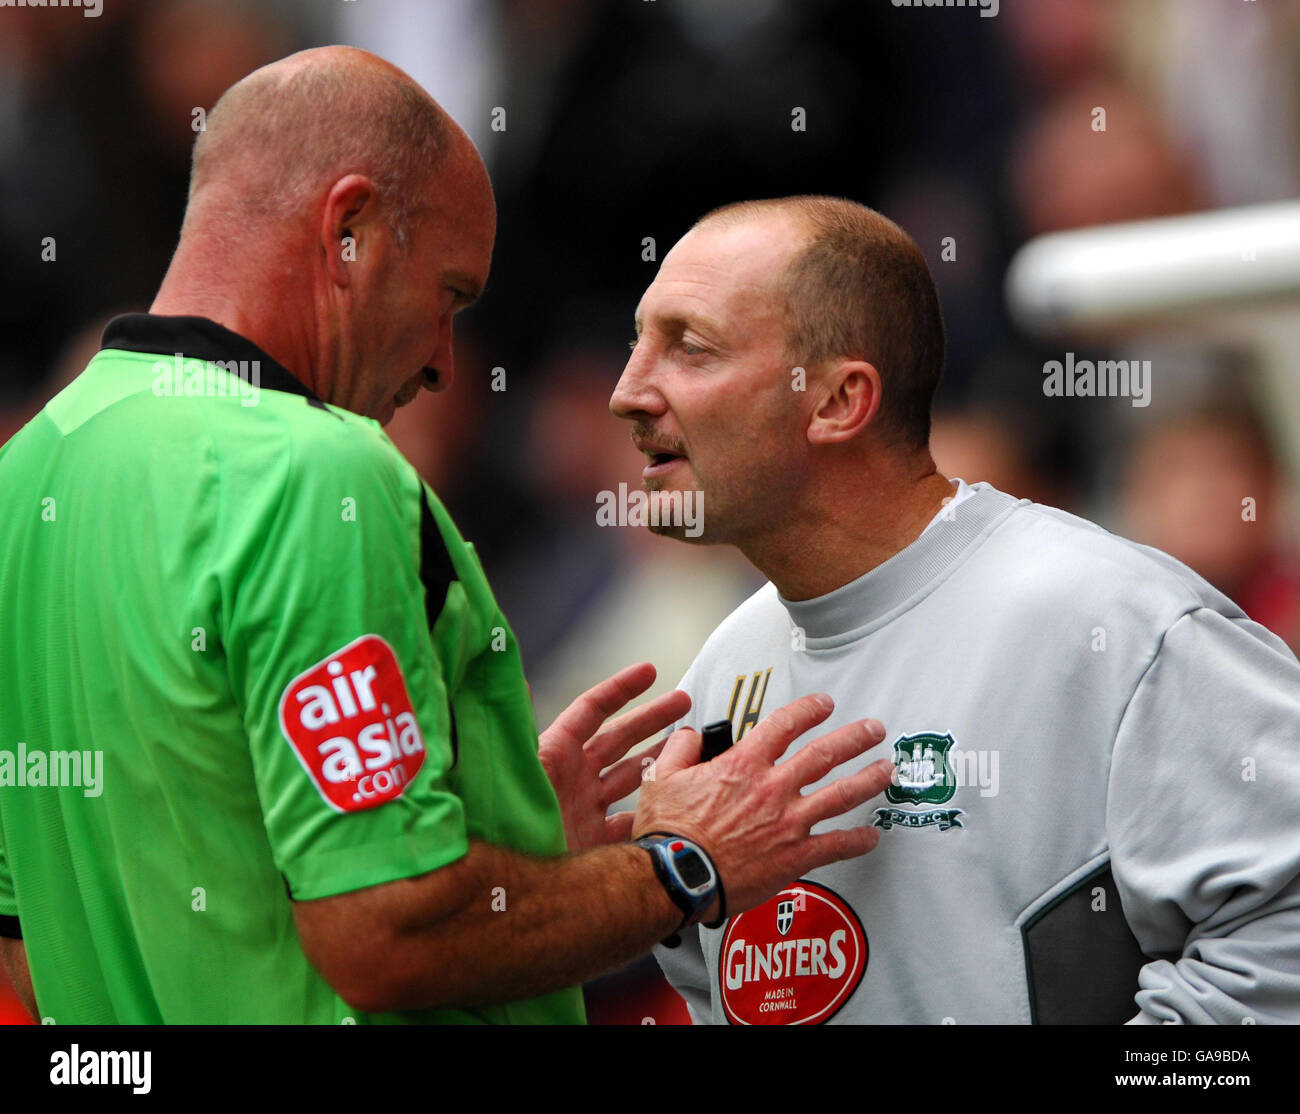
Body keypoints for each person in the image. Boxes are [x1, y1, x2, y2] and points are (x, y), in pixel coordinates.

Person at [0, 51, 897, 1024]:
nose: (441, 364)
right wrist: (683, 863)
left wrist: (502, 852)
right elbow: (390, 932)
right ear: (348, 230)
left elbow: (37, 950)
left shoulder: (27, 474)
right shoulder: (316, 476)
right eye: (449, 298)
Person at [610, 195, 1300, 1025]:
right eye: (636, 341)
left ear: (837, 401)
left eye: (690, 347)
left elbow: (1280, 940)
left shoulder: (1118, 624)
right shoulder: (729, 663)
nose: (628, 393)